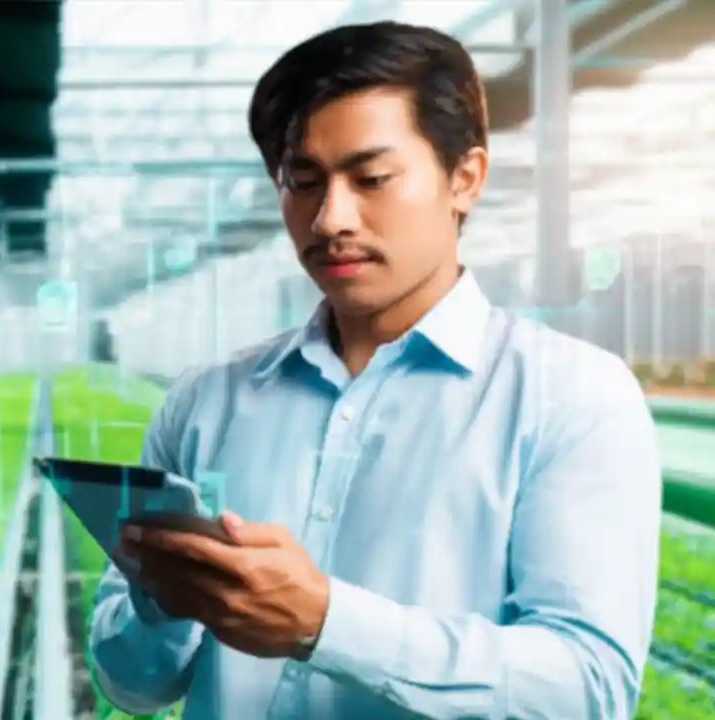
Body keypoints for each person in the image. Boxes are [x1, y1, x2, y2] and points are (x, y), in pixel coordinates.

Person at [87, 20, 660, 720]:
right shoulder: (206, 402)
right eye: (302, 181)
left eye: (372, 178)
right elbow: (131, 687)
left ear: (465, 178)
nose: (330, 218)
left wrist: (324, 623)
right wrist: (162, 601)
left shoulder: (571, 398)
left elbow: (588, 687)